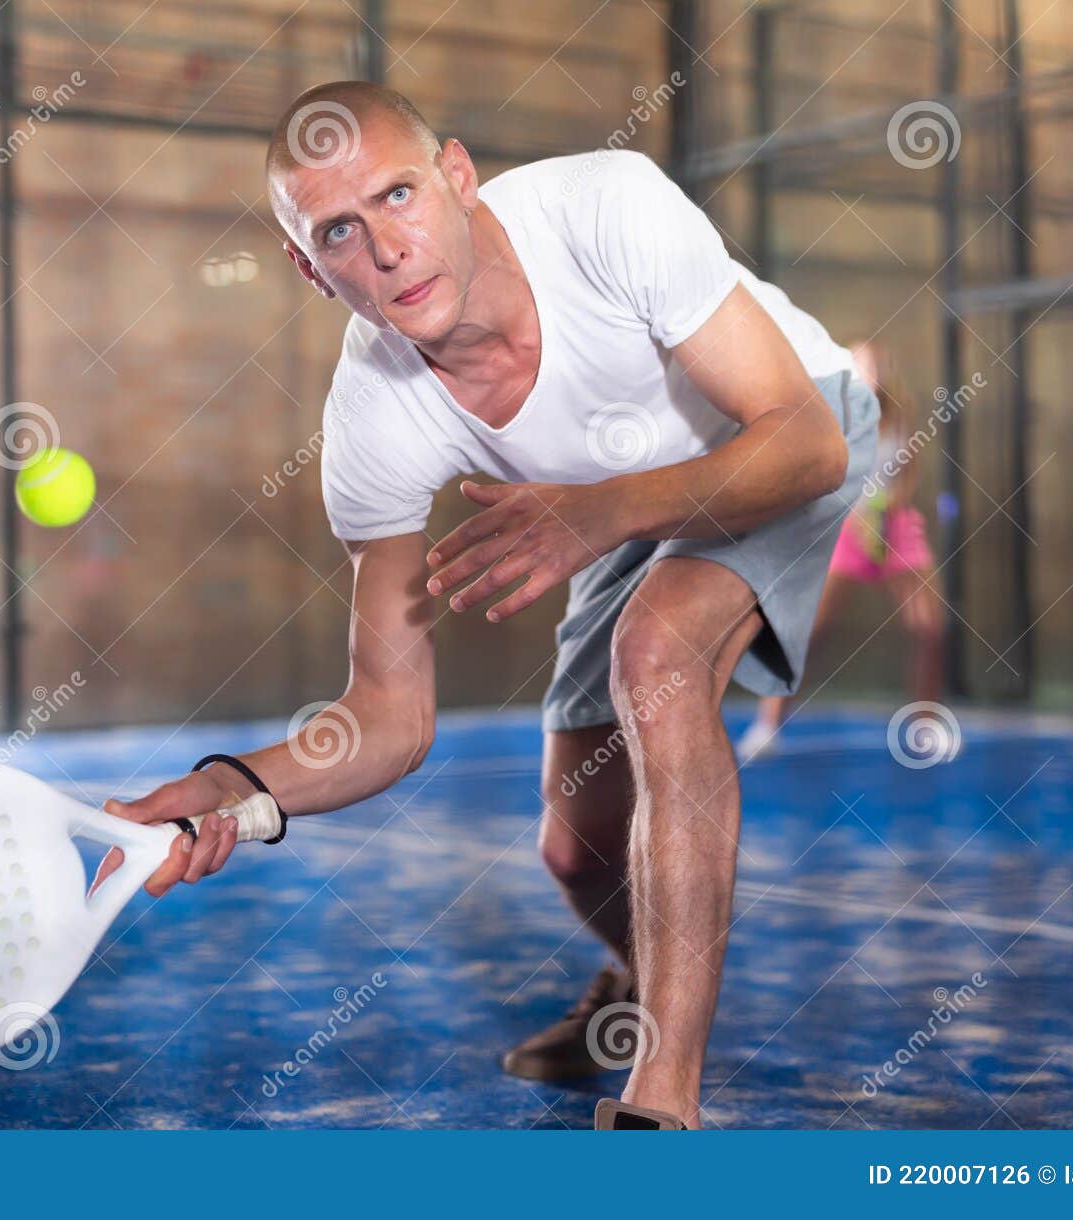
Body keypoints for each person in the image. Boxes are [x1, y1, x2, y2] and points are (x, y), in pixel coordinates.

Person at [94, 80, 877, 1130]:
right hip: (605, 502)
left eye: (399, 196)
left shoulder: (605, 208)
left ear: (458, 176)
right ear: (308, 266)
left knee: (655, 651)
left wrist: (596, 515)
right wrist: (233, 784)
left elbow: (802, 442)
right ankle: (635, 977)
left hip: (776, 427)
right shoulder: (374, 420)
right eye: (338, 229)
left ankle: (664, 1099)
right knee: (574, 849)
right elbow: (385, 715)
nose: (385, 247)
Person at [734, 339, 944, 765]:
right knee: (809, 630)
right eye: (857, 363)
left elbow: (909, 471)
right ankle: (767, 725)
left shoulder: (901, 412)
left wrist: (889, 510)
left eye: (873, 363)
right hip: (845, 527)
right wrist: (856, 516)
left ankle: (926, 726)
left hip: (896, 526)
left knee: (929, 627)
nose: (868, 370)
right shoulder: (828, 414)